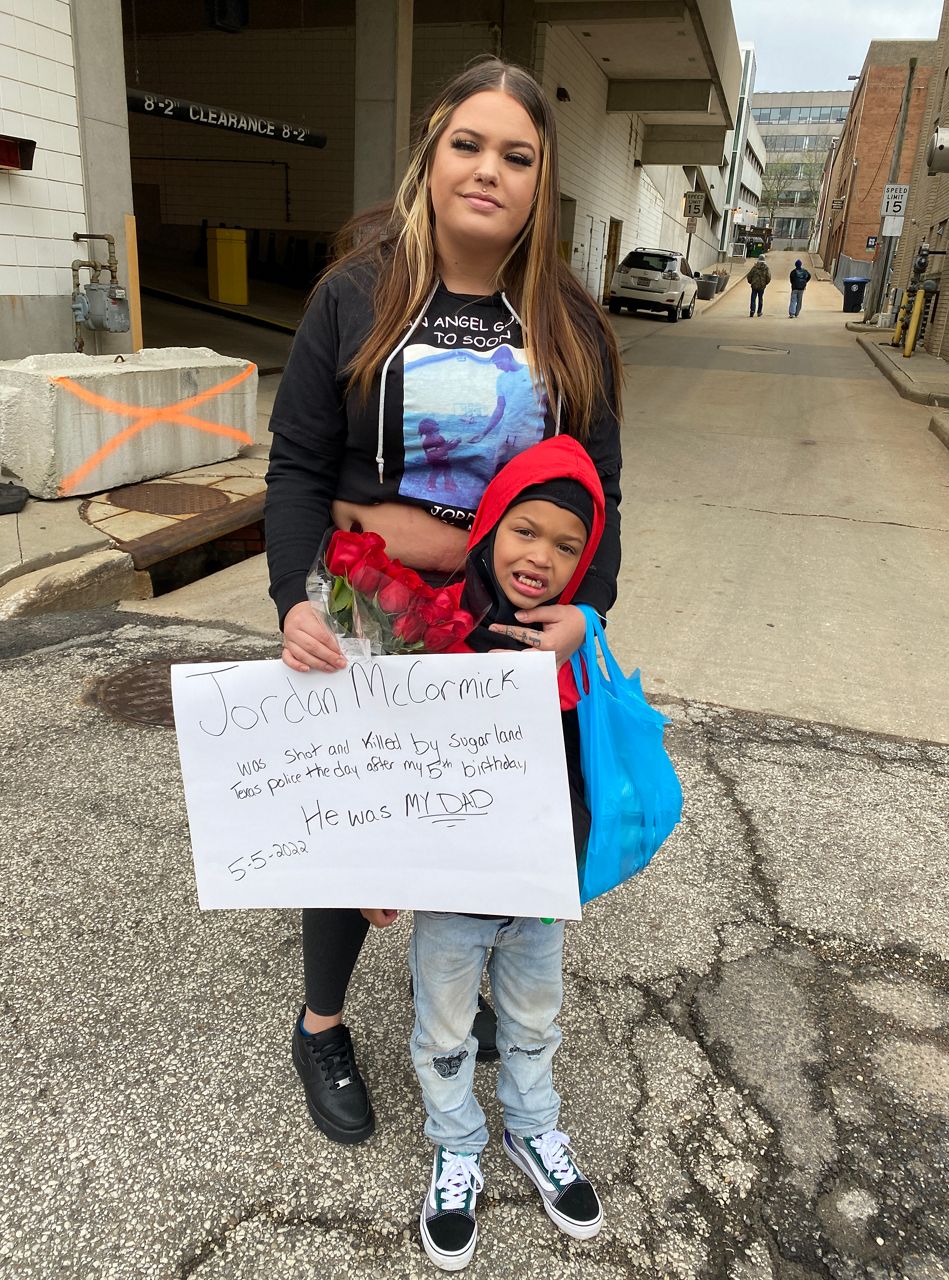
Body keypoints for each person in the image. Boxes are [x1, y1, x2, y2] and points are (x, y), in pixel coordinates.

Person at [263, 58, 623, 1147]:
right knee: (356, 828)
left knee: (493, 825)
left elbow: (604, 492)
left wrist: (587, 610)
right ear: (432, 153)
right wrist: (293, 597)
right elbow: (293, 468)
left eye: (518, 155)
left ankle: (477, 1007)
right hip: (371, 615)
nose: (489, 170)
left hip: (511, 631)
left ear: (540, 180)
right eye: (469, 144)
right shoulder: (355, 295)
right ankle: (322, 1022)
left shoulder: (571, 322)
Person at [364, 434, 607, 1271]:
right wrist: (378, 869)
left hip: (540, 892)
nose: (542, 557)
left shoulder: (572, 649)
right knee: (442, 1029)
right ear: (490, 527)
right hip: (452, 897)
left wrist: (588, 627)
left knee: (534, 1020)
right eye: (524, 530)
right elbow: (390, 770)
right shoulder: (433, 639)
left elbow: (587, 767)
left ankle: (533, 1129)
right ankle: (457, 1142)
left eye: (568, 546)